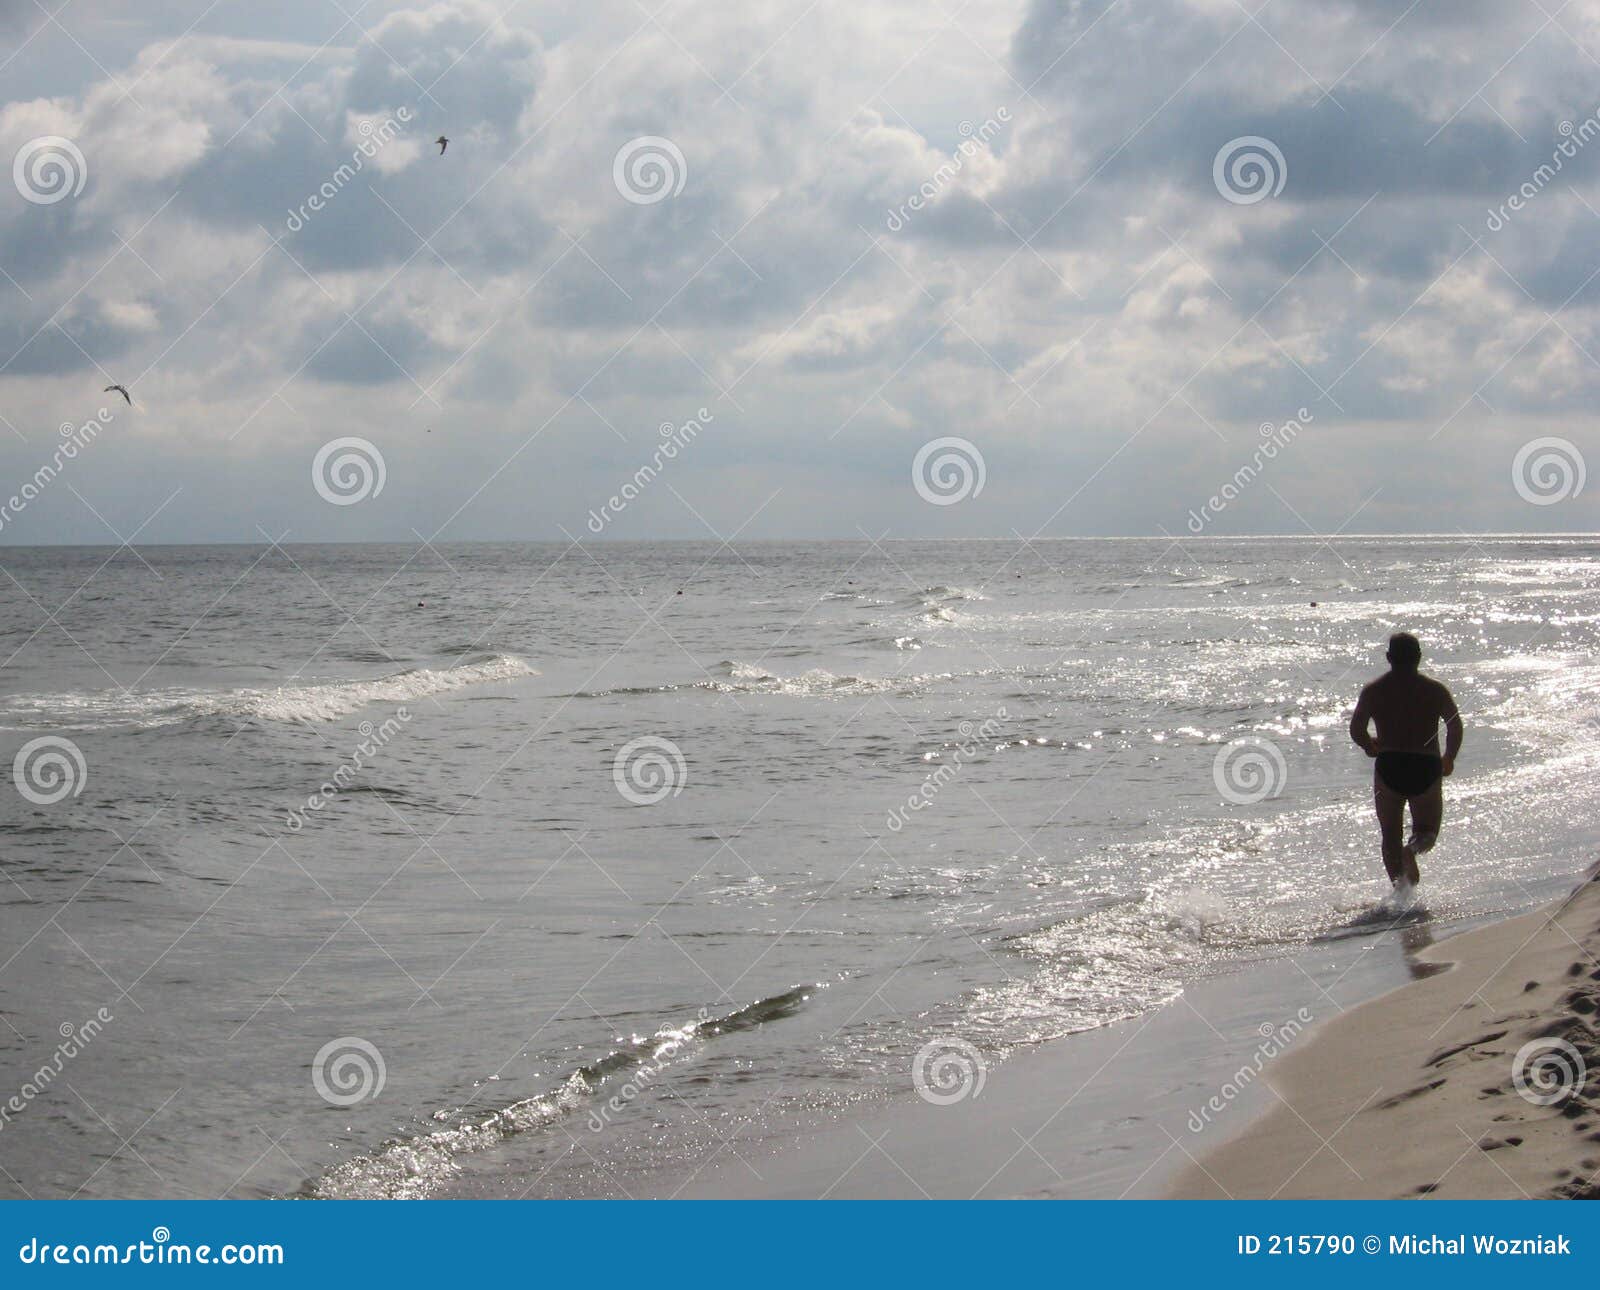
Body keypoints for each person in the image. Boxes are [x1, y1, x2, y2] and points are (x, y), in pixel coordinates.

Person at [1348, 633, 1463, 888]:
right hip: (1426, 765)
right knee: (1427, 832)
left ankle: (1401, 894)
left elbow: (1356, 729)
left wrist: (1370, 746)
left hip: (1390, 765)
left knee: (1390, 835)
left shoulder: (1374, 690)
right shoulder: (1435, 690)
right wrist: (1449, 757)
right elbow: (1454, 726)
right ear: (1419, 657)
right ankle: (1412, 849)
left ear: (1389, 658)